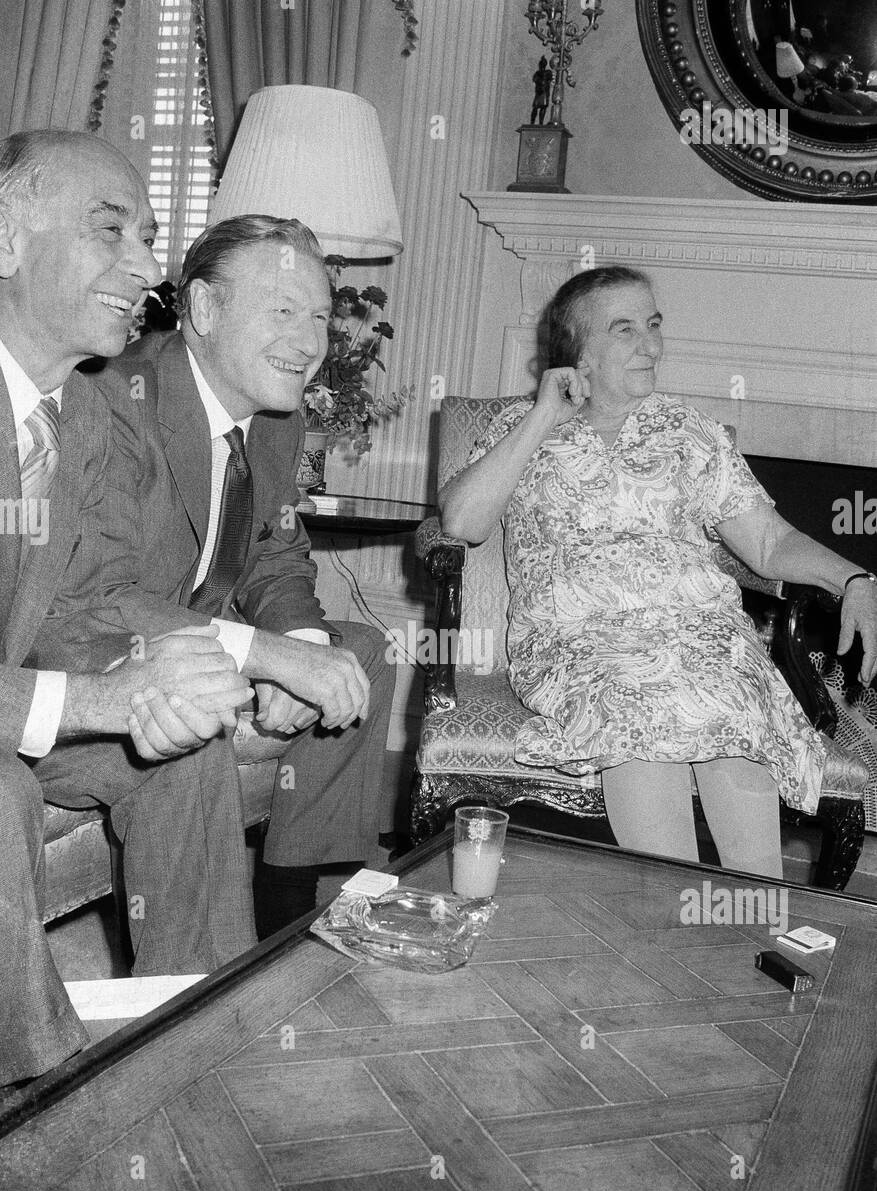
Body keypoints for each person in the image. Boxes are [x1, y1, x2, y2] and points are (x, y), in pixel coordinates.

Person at [440, 266, 877, 878]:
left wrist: (855, 579)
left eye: (653, 324)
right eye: (625, 329)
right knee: (638, 714)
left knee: (731, 710)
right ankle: (671, 928)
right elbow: (463, 522)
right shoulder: (517, 428)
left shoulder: (689, 432)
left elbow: (770, 544)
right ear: (577, 352)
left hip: (700, 634)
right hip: (581, 640)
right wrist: (543, 417)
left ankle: (758, 930)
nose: (650, 344)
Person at [0, 130, 258, 1088]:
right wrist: (101, 701)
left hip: (13, 701)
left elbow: (75, 599)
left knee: (187, 747)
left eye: (149, 238)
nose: (149, 268)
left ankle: (194, 1038)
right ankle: (38, 1097)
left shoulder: (80, 409)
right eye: (111, 231)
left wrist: (154, 678)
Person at [93, 216, 394, 936]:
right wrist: (263, 654)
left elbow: (274, 552)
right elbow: (105, 601)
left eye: (319, 317)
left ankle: (286, 892)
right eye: (283, 311)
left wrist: (301, 643)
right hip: (114, 650)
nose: (310, 341)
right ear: (202, 309)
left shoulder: (275, 419)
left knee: (360, 653)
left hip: (202, 625)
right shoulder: (117, 399)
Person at [531, 57, 552, 125]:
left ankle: (541, 122)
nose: (542, 65)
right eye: (541, 64)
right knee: (535, 107)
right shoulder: (537, 73)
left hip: (544, 92)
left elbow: (550, 79)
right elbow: (535, 79)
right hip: (539, 92)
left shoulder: (548, 72)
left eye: (543, 64)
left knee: (543, 107)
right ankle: (532, 122)